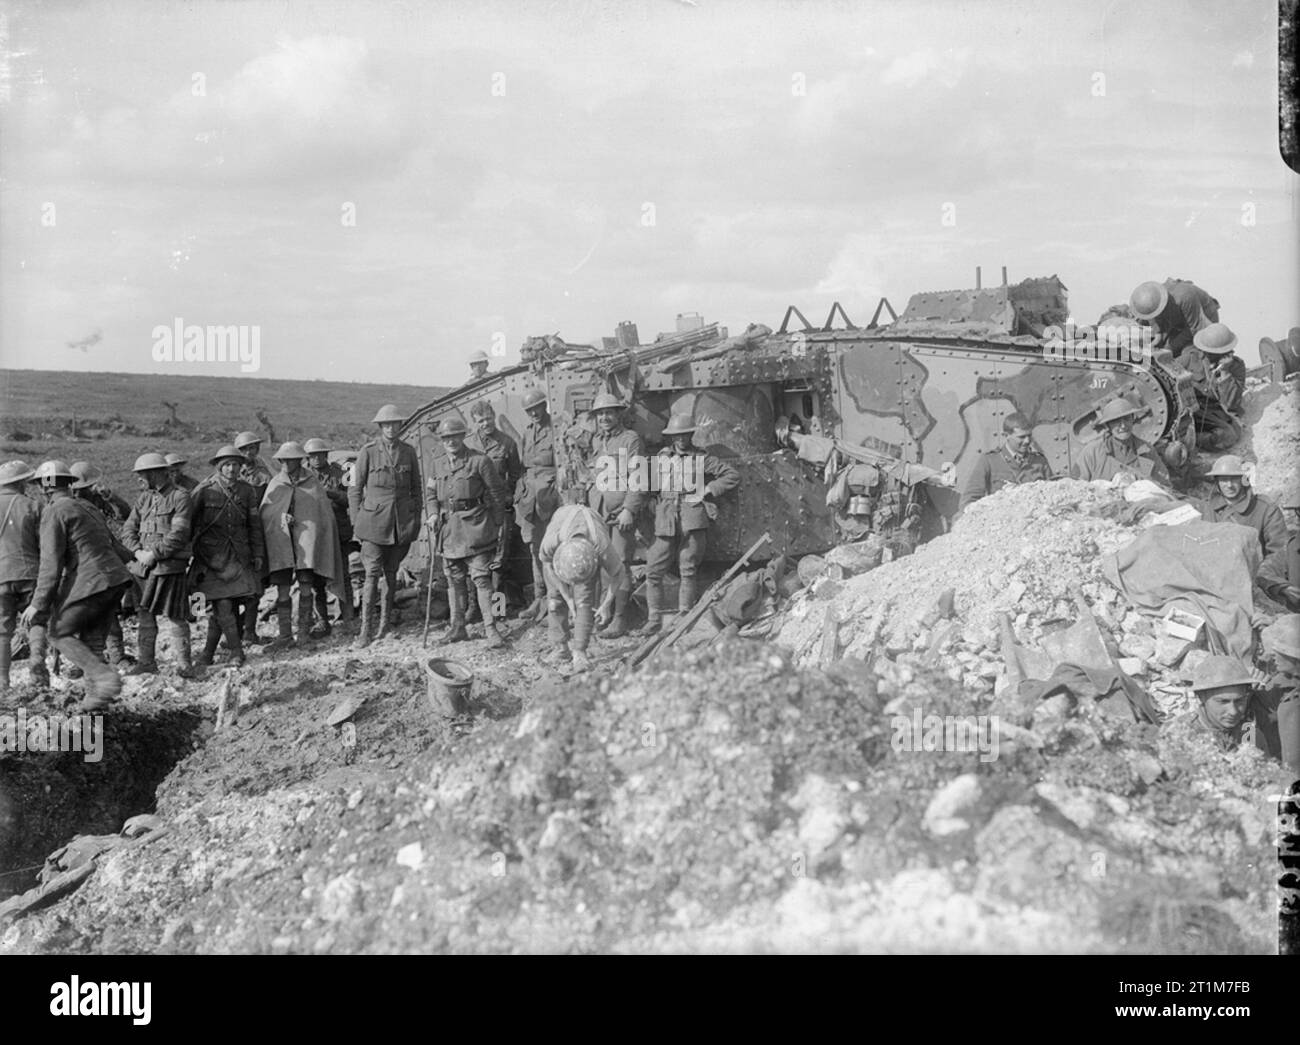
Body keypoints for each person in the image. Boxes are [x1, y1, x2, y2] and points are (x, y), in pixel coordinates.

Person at [21, 460, 131, 710]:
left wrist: (37, 605)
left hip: (92, 582)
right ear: (69, 484)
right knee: (93, 642)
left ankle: (103, 679)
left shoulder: (55, 511)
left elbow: (51, 564)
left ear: (43, 487)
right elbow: (115, 547)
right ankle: (97, 700)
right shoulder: (87, 507)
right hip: (116, 581)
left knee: (58, 633)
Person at [639, 412, 741, 635]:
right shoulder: (662, 457)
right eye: (676, 436)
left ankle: (685, 617)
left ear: (691, 435)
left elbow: (731, 475)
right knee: (653, 569)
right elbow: (649, 485)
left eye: (684, 435)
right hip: (666, 519)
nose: (680, 440)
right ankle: (653, 618)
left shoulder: (702, 458)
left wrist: (708, 489)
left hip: (692, 518)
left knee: (688, 568)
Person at [426, 416, 507, 647]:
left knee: (482, 580)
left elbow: (496, 494)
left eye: (455, 436)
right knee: (455, 581)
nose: (451, 441)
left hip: (477, 528)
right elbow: (431, 494)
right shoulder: (437, 463)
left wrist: (497, 525)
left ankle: (491, 630)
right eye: (446, 437)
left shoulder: (479, 461)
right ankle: (457, 628)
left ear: (463, 436)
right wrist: (432, 514)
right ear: (442, 440)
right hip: (450, 531)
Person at [260, 443, 347, 648]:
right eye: (284, 460)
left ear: (300, 460)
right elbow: (267, 514)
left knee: (307, 586)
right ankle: (285, 636)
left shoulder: (312, 482)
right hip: (281, 545)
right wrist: (281, 518)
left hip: (306, 545)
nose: (287, 464)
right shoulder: (275, 483)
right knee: (282, 589)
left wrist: (304, 524)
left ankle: (304, 634)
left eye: (291, 460)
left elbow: (322, 515)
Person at [348, 405, 422, 647]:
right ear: (380, 427)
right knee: (371, 575)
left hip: (400, 524)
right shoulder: (367, 452)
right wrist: (357, 522)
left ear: (401, 426)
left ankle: (385, 626)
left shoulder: (409, 452)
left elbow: (416, 489)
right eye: (386, 425)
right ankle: (365, 630)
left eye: (395, 424)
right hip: (373, 524)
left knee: (391, 575)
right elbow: (355, 489)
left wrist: (415, 518)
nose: (391, 428)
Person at [121, 452, 198, 678]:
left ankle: (184, 665)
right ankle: (146, 662)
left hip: (168, 568)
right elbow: (128, 530)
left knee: (175, 615)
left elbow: (179, 535)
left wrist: (153, 554)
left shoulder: (180, 497)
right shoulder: (144, 499)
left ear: (155, 473)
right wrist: (138, 552)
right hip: (143, 568)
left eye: (142, 475)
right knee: (144, 614)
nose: (139, 479)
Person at [189, 445, 264, 667]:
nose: (232, 469)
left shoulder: (246, 491)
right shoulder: (204, 490)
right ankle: (236, 652)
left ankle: (207, 654)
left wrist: (258, 552)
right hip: (211, 558)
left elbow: (254, 525)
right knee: (222, 605)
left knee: (224, 609)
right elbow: (189, 524)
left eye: (236, 465)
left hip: (239, 558)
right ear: (220, 467)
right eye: (228, 465)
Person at [539, 488, 628, 673]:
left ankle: (580, 651)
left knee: (584, 602)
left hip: (587, 544)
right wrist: (567, 598)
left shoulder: (600, 545)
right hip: (563, 542)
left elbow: (619, 573)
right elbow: (547, 565)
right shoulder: (551, 541)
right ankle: (560, 647)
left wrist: (605, 604)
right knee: (555, 600)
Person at [586, 392, 646, 638]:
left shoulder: (630, 439)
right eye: (600, 413)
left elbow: (638, 478)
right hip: (600, 513)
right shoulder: (597, 442)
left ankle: (620, 620)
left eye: (609, 412)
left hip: (621, 513)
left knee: (620, 566)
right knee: (603, 565)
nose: (605, 417)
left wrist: (630, 509)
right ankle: (605, 612)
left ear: (619, 414)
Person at [69, 462, 131, 667]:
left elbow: (124, 514)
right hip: (82, 563)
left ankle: (115, 655)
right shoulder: (68, 505)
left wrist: (110, 496)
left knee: (107, 612)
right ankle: (87, 660)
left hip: (101, 560)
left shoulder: (98, 501)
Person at [466, 400, 522, 622]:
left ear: (493, 416)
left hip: (499, 509)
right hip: (475, 511)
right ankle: (474, 609)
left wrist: (509, 498)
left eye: (489, 418)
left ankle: (497, 610)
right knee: (473, 559)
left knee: (499, 563)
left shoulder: (507, 443)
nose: (486, 423)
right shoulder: (468, 444)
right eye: (481, 421)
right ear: (474, 423)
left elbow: (516, 474)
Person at [1164, 655, 1280, 759]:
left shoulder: (1249, 734)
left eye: (1239, 701)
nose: (1233, 711)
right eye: (1223, 701)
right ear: (1200, 697)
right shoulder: (1180, 733)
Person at [514, 388, 560, 621]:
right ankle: (539, 597)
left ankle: (554, 598)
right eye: (529, 410)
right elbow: (524, 465)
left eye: (537, 408)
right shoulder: (527, 432)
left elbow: (560, 464)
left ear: (544, 406)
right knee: (534, 549)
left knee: (552, 548)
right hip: (529, 499)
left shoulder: (556, 429)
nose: (533, 413)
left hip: (549, 498)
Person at [0, 460, 45, 693]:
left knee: (2, 631)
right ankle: (37, 669)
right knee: (36, 623)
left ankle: (2, 681)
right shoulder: (34, 506)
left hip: (1, 576)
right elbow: (46, 544)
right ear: (21, 482)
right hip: (31, 573)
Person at [1193, 455, 1288, 562]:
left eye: (1234, 479)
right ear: (1217, 482)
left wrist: (1260, 575)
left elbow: (1280, 553)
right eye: (1224, 480)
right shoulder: (1208, 509)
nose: (1229, 485)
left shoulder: (1266, 509)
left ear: (1244, 480)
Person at [304, 437, 354, 637]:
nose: (316, 459)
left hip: (337, 533)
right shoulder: (304, 476)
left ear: (326, 455)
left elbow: (351, 499)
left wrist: (331, 494)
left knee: (343, 575)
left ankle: (348, 618)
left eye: (320, 455)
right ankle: (323, 620)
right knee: (316, 579)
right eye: (312, 456)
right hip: (314, 534)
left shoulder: (341, 474)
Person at [958, 412, 1051, 512]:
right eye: (1022, 437)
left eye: (1029, 436)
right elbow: (969, 501)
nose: (1027, 441)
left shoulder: (1040, 461)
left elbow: (1052, 495)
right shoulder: (989, 461)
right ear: (1006, 435)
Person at [1071, 397, 1170, 485]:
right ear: (1107, 425)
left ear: (1133, 419)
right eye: (1116, 421)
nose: (1123, 426)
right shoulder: (1092, 452)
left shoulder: (1147, 450)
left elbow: (1165, 486)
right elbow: (1075, 487)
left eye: (1126, 419)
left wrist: (1136, 481)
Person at [233, 431, 274, 644]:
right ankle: (233, 631)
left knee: (256, 587)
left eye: (253, 448)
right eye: (245, 449)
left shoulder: (264, 474)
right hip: (233, 537)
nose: (249, 453)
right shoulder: (230, 473)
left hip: (257, 535)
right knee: (231, 587)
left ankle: (249, 631)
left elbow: (275, 497)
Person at [1180, 323, 1246, 450]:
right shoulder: (1189, 359)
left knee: (1229, 435)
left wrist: (1225, 372)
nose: (1205, 355)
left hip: (1215, 413)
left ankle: (1193, 440)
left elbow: (1231, 404)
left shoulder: (1237, 366)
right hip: (1189, 411)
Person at [1129, 278, 1220, 360]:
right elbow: (1153, 318)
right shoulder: (1153, 302)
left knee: (1189, 355)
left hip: (1202, 318)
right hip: (1177, 316)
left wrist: (1169, 347)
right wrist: (1156, 339)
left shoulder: (1185, 297)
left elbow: (1193, 328)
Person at [1259, 615, 1300, 773]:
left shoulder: (1292, 706)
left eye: (1279, 650)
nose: (1272, 655)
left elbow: (1293, 767)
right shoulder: (1284, 680)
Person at [1259, 490, 1300, 611]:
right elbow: (1263, 573)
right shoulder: (1292, 547)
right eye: (1297, 513)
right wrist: (1283, 588)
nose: (1297, 520)